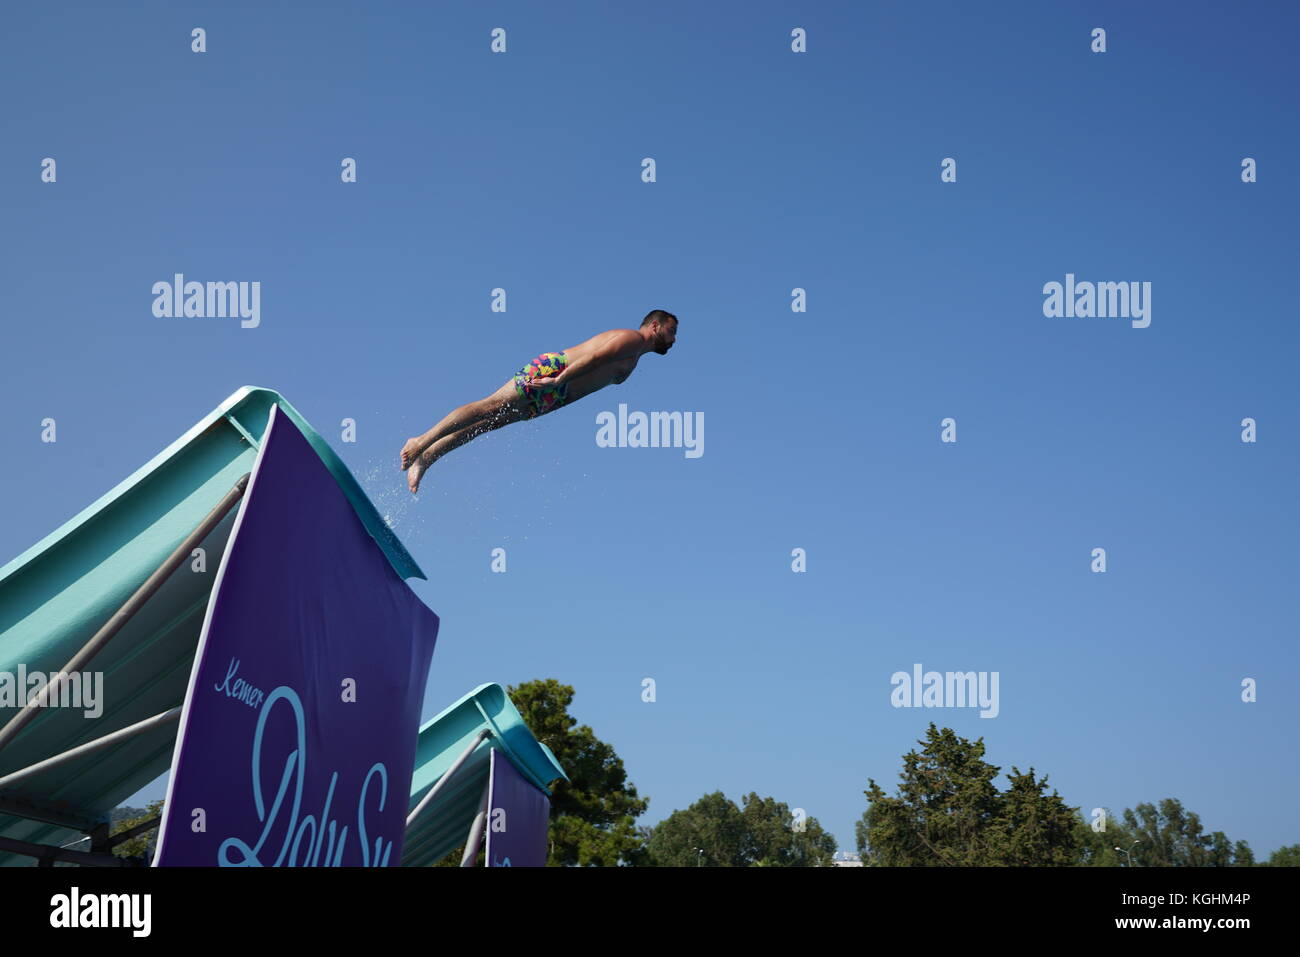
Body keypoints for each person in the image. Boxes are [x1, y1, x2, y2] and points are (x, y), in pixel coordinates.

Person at [401, 309, 678, 493]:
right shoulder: (631, 339)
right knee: (490, 406)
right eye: (671, 330)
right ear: (655, 326)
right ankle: (421, 441)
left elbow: (591, 384)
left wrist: (555, 400)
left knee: (487, 424)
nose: (674, 339)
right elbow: (594, 359)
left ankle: (428, 458)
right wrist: (558, 380)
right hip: (554, 373)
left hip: (556, 394)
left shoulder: (636, 357)